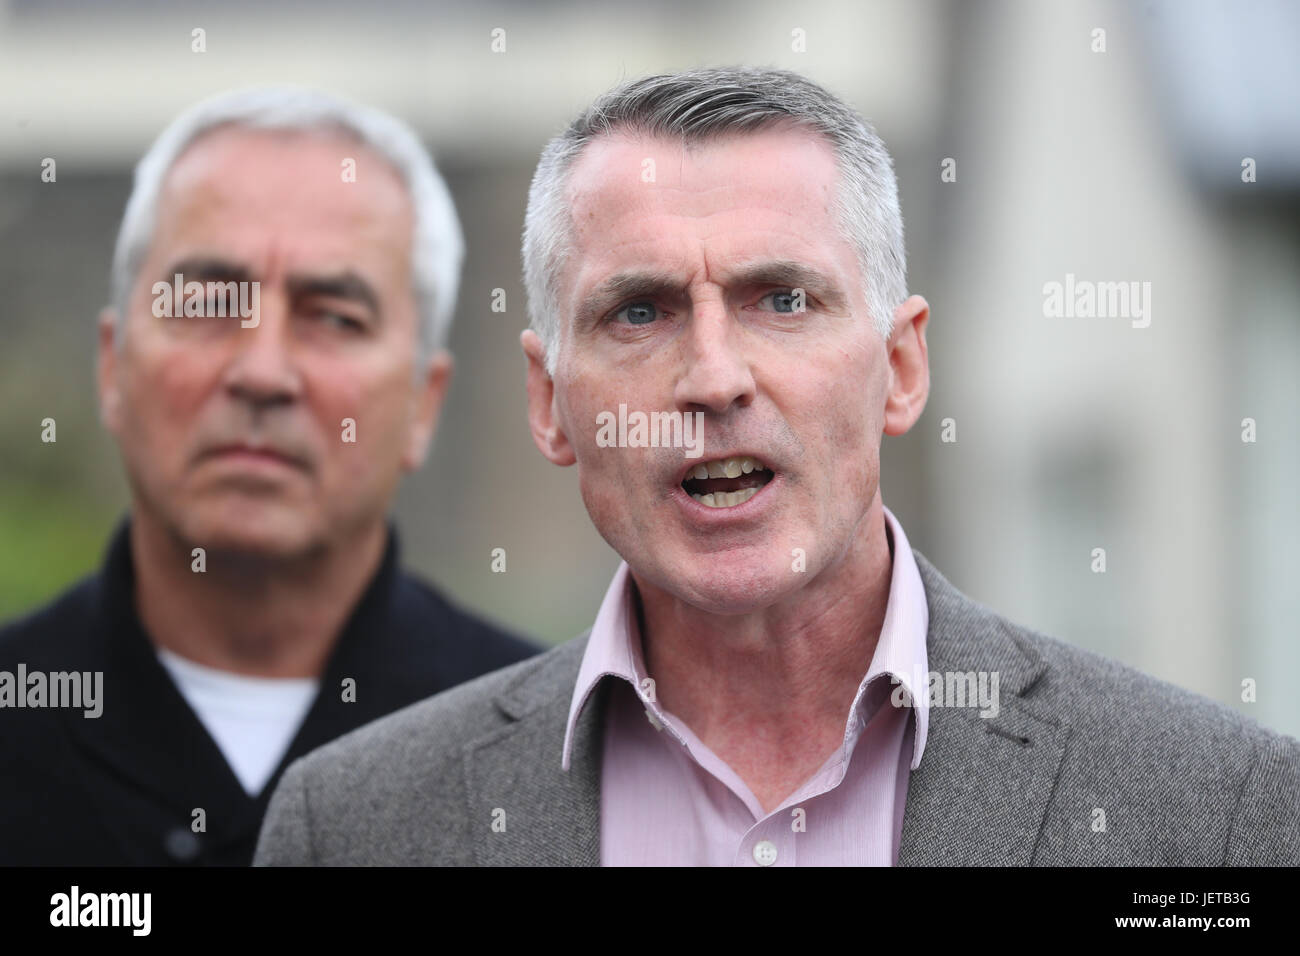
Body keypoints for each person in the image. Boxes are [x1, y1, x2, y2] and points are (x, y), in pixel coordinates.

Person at [254, 68, 1299, 866]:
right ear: (548, 401)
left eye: (783, 300)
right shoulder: (351, 828)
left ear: (900, 368)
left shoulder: (1213, 809)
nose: (714, 378)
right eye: (639, 312)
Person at [0, 87, 538, 866]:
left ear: (424, 404)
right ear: (112, 365)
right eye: (209, 302)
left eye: (335, 318)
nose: (262, 371)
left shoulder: (555, 755)